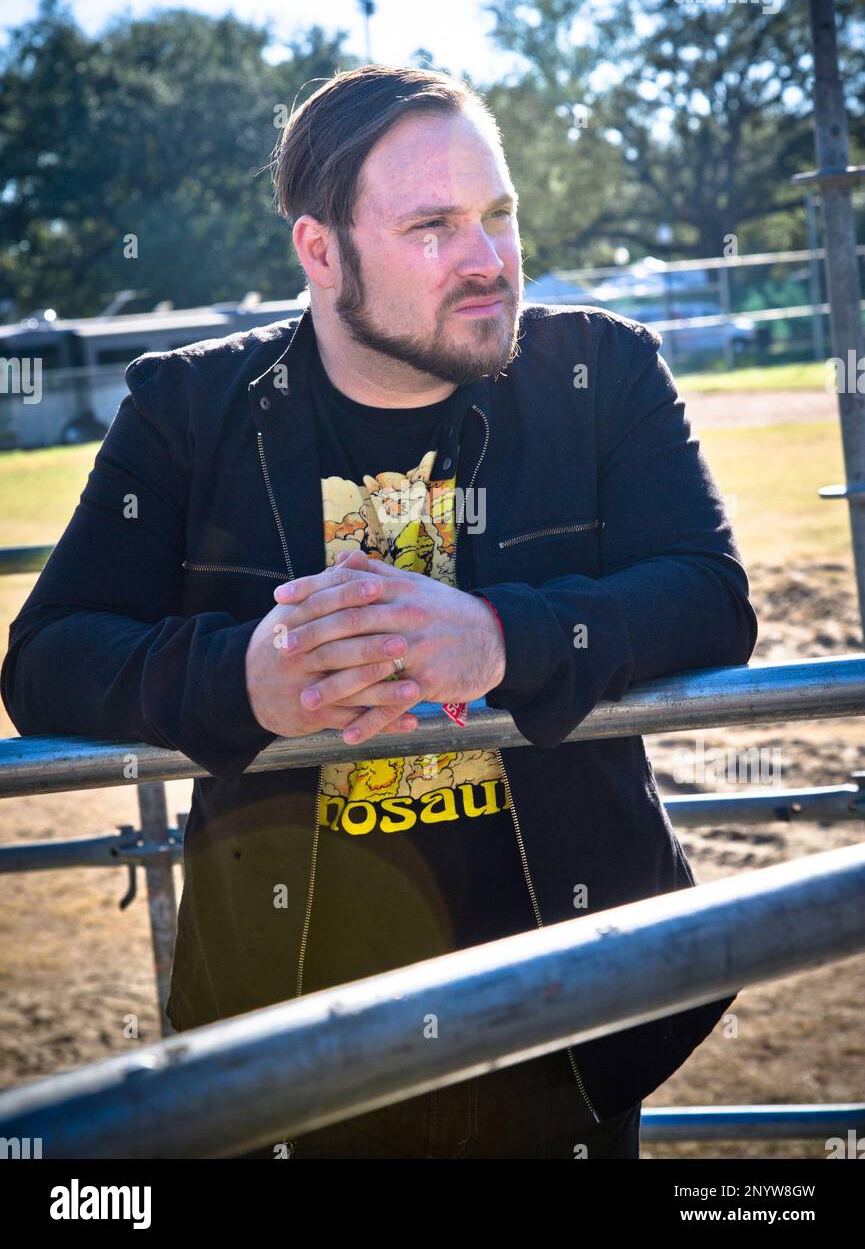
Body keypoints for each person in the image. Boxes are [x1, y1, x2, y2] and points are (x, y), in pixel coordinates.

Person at [1, 65, 758, 1160]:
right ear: (320, 250)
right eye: (432, 226)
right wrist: (242, 679)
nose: (489, 259)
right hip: (288, 1033)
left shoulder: (599, 368)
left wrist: (498, 637)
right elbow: (48, 661)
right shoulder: (189, 408)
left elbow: (708, 593)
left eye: (499, 214)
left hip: (568, 1008)